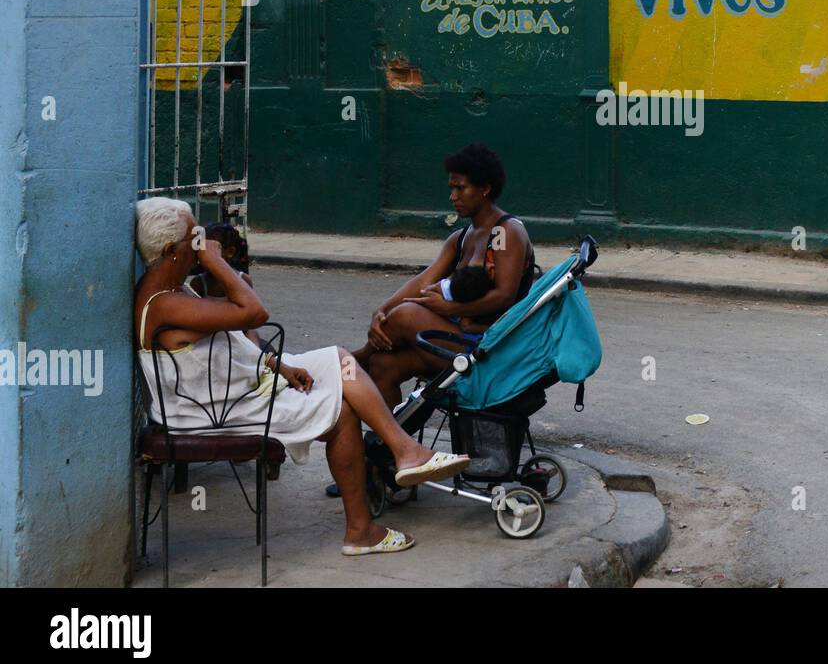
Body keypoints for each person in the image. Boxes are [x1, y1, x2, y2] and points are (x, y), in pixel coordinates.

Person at [134, 197, 471, 556]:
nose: (203, 242)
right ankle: (379, 496)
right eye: (195, 238)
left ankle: (395, 470)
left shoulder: (169, 292)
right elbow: (254, 312)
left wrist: (274, 364)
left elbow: (225, 334)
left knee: (342, 365)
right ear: (171, 249)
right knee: (342, 405)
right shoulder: (164, 304)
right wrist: (216, 262)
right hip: (215, 411)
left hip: (232, 391)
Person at [353, 143, 537, 409]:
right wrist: (379, 311)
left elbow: (505, 295)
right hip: (458, 337)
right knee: (383, 365)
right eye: (451, 188)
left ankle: (359, 356)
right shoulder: (461, 238)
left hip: (490, 348)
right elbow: (422, 281)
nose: (453, 196)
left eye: (460, 188)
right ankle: (394, 445)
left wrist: (451, 307)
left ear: (484, 188)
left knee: (406, 315)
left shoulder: (503, 233)